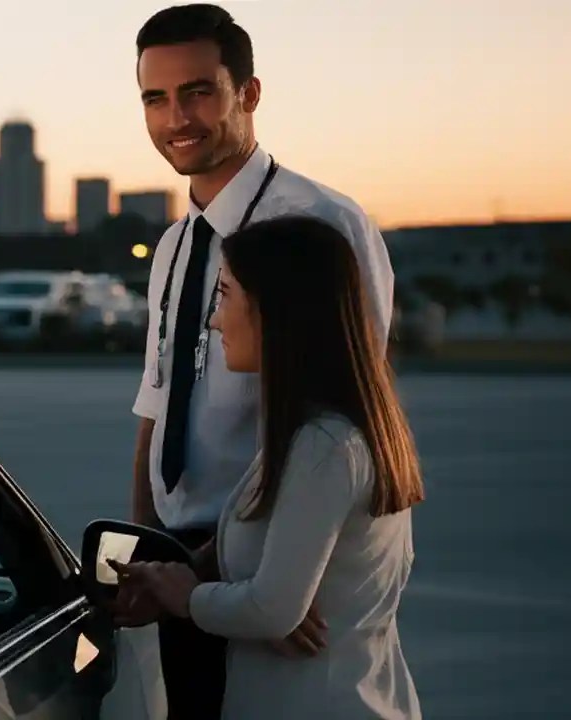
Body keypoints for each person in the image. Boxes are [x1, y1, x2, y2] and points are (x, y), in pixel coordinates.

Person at [127, 4, 395, 717]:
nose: (175, 117)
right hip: (188, 572)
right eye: (156, 98)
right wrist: (148, 561)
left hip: (256, 568)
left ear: (248, 93)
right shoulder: (177, 246)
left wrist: (257, 580)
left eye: (199, 91)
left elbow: (345, 411)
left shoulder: (319, 226)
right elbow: (156, 410)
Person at [112, 215, 424, 718]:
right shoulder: (330, 432)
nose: (214, 320)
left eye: (226, 295)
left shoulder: (323, 446)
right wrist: (183, 576)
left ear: (276, 311)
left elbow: (275, 610)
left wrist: (190, 597)